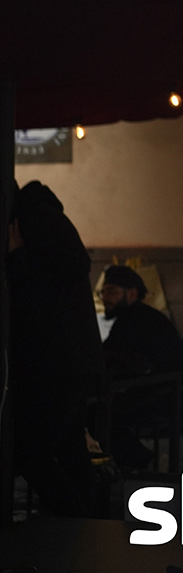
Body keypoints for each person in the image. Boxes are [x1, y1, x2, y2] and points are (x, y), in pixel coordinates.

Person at [6, 180, 105, 516]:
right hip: (72, 359)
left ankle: (74, 519)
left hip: (53, 361)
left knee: (31, 451)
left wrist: (17, 259)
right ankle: (85, 525)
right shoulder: (47, 220)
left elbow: (38, 295)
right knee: (68, 447)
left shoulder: (31, 223)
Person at [99, 264, 183, 468]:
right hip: (167, 394)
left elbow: (109, 355)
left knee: (96, 413)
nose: (105, 298)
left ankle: (138, 461)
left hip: (159, 398)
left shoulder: (133, 320)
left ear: (131, 294)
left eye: (112, 292)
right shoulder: (143, 316)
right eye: (103, 292)